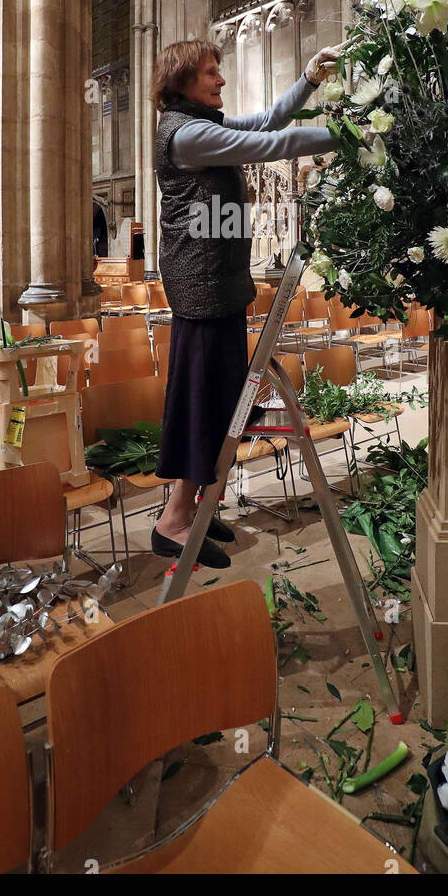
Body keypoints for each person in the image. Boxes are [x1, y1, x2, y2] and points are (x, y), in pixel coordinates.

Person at [150, 37, 344, 568]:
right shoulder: (186, 135)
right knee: (204, 403)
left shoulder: (200, 126)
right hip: (202, 288)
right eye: (211, 72)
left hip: (218, 284)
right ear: (183, 80)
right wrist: (347, 136)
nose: (221, 80)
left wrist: (307, 82)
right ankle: (173, 521)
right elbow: (271, 146)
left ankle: (191, 505)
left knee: (220, 401)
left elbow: (264, 123)